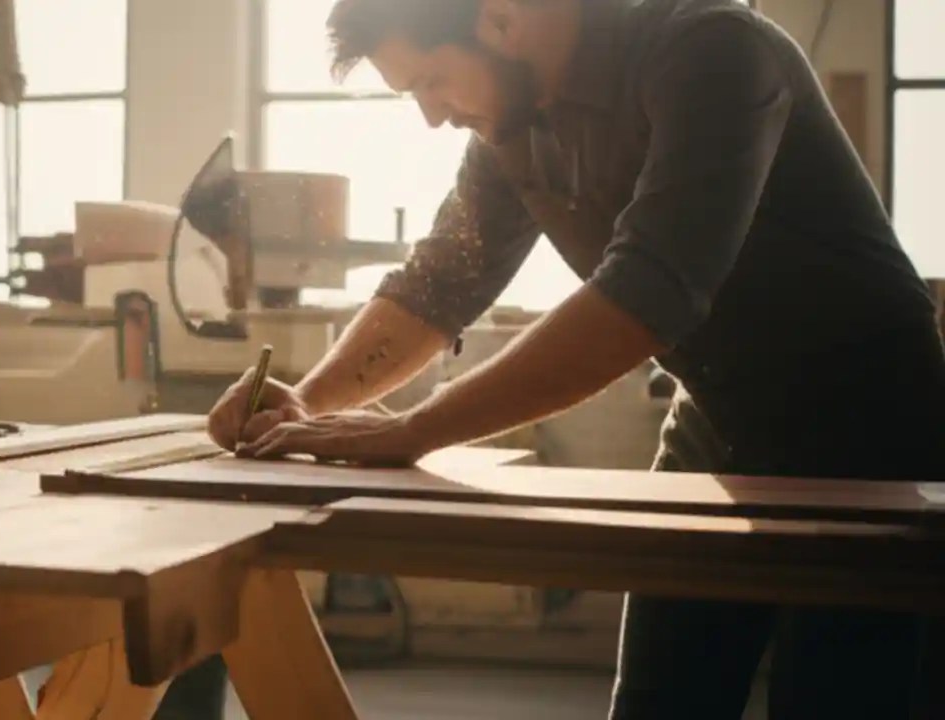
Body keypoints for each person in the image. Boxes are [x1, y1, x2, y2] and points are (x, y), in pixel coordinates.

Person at [205, 0, 945, 717]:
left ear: (501, 17)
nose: (432, 114)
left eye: (431, 81)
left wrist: (412, 431)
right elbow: (438, 285)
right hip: (720, 421)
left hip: (871, 421)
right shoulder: (512, 129)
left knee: (838, 697)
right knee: (662, 698)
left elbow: (647, 293)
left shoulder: (713, 50)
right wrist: (308, 401)